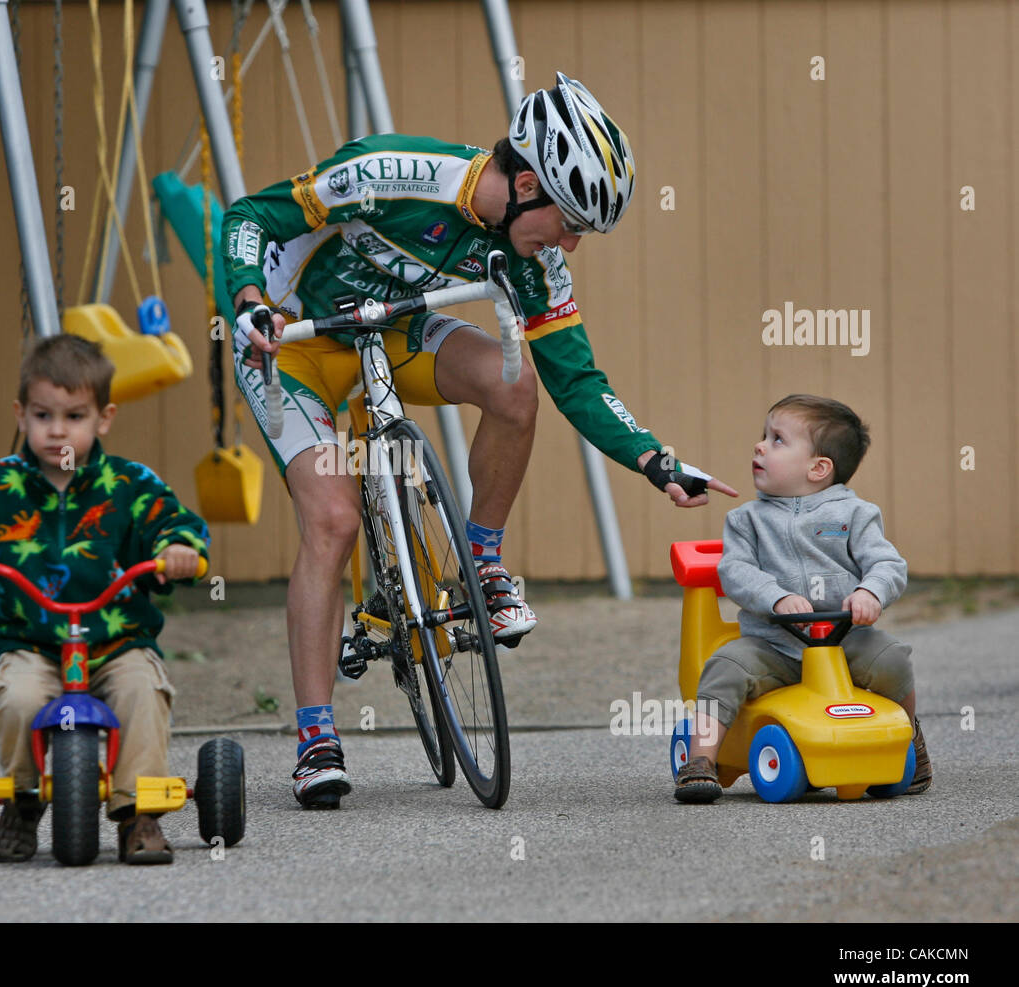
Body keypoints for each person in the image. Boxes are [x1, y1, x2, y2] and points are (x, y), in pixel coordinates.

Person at [221, 72, 737, 808]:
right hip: (292, 338)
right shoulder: (393, 173)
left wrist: (655, 461)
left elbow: (576, 381)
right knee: (332, 522)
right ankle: (314, 737)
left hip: (389, 326)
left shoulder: (534, 258)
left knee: (513, 384)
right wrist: (247, 297)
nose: (569, 245)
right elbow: (249, 215)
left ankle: (481, 565)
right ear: (525, 182)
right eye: (568, 223)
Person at [0, 334, 210, 863]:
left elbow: (175, 523)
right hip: (32, 644)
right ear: (21, 414)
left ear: (103, 418)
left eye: (75, 416)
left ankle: (139, 813)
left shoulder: (129, 484)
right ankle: (22, 801)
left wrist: (177, 549)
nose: (57, 429)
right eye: (43, 415)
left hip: (116, 641)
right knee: (17, 697)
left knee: (142, 692)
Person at [673, 394, 931, 803]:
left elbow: (889, 564)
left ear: (819, 468)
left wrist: (870, 591)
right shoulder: (746, 521)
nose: (759, 446)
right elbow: (735, 572)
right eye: (763, 436)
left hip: (844, 643)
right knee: (724, 667)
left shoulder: (855, 515)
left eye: (777, 440)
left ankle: (910, 741)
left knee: (895, 658)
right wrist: (775, 598)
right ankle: (701, 762)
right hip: (772, 646)